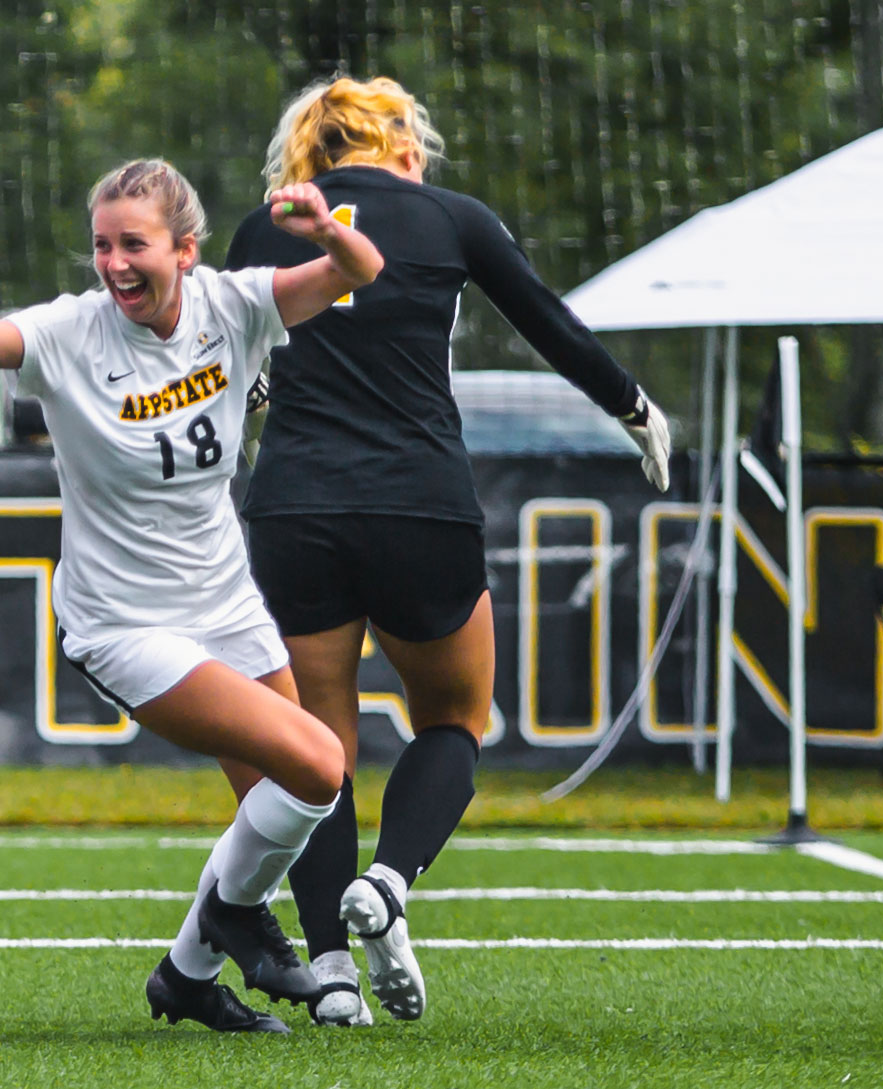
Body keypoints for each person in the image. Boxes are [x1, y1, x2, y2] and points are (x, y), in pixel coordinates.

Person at [224, 75, 673, 1026]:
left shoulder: (261, 229)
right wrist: (633, 407)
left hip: (294, 510)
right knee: (457, 720)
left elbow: (233, 369)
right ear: (400, 146)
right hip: (419, 503)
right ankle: (387, 883)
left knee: (317, 754)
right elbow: (549, 322)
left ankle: (333, 972)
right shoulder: (450, 216)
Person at [0, 160, 378, 1033]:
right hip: (124, 623)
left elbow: (359, 270)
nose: (114, 263)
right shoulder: (71, 332)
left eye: (135, 244)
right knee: (316, 768)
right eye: (101, 245)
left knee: (276, 810)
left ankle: (187, 976)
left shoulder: (232, 306)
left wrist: (325, 230)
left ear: (185, 250)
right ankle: (236, 920)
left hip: (226, 601)